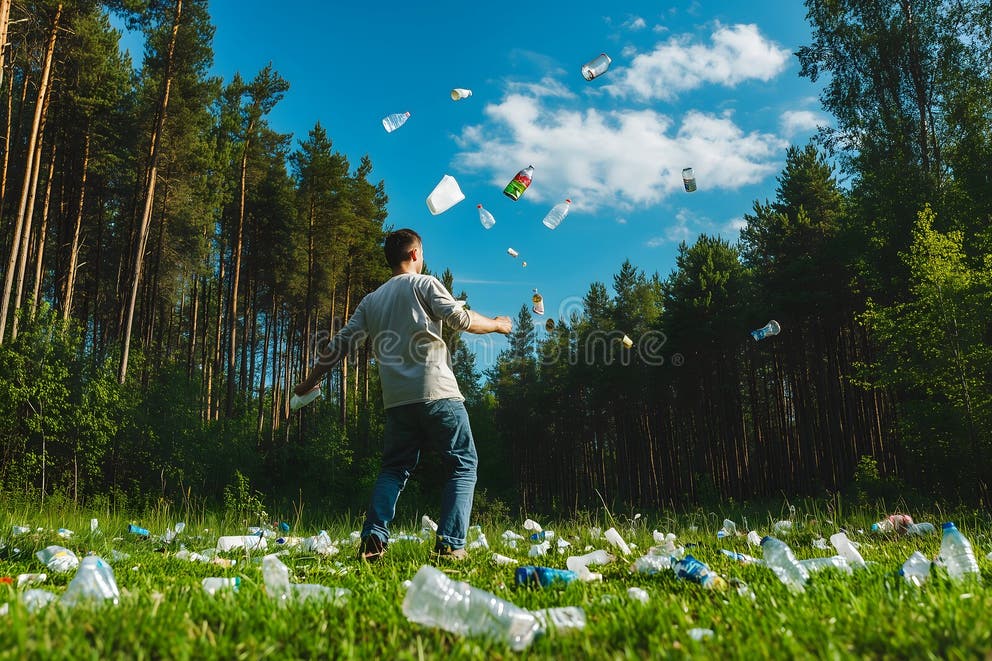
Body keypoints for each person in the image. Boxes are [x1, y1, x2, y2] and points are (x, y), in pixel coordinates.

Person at [292, 228, 512, 562]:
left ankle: (373, 540)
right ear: (414, 255)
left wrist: (309, 381)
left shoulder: (372, 301)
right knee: (463, 464)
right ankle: (450, 545)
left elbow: (341, 344)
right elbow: (460, 319)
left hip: (397, 402)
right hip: (438, 393)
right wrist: (498, 324)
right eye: (421, 255)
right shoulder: (425, 284)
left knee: (393, 469)